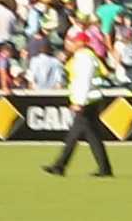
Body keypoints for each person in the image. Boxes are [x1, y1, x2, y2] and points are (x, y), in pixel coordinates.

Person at [45, 27, 114, 178]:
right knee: (92, 136)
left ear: (80, 43)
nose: (69, 44)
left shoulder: (84, 58)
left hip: (87, 101)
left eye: (72, 41)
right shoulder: (84, 56)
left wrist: (79, 102)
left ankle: (59, 165)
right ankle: (104, 168)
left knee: (75, 134)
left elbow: (84, 81)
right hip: (90, 100)